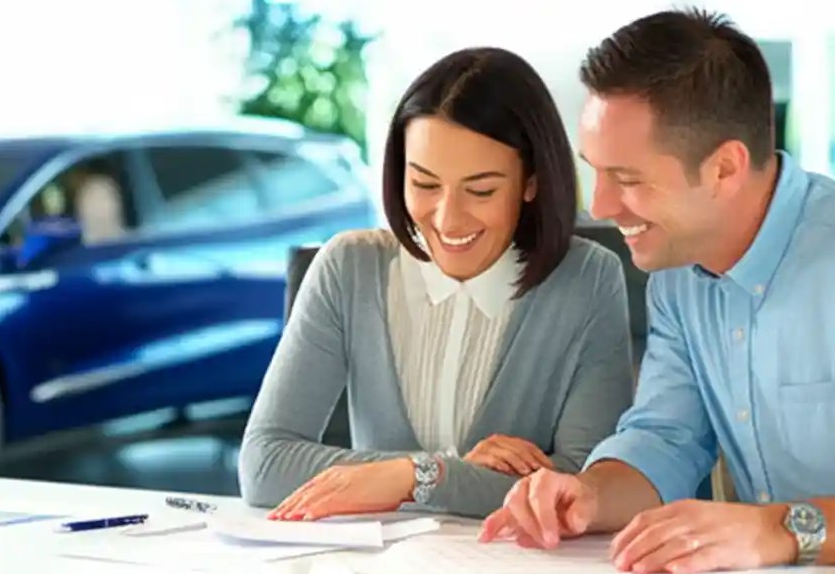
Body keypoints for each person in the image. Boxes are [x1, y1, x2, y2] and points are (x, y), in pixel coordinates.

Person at [481, 9, 835, 571]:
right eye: (595, 171)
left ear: (724, 168)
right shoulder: (678, 269)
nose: (600, 206)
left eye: (628, 179)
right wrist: (590, 494)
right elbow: (666, 440)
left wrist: (780, 529)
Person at [238, 47, 635, 520]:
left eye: (481, 190)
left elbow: (580, 490)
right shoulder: (348, 268)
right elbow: (265, 465)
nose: (448, 218)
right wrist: (434, 470)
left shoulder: (587, 279)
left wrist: (416, 479)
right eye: (424, 184)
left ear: (531, 182)